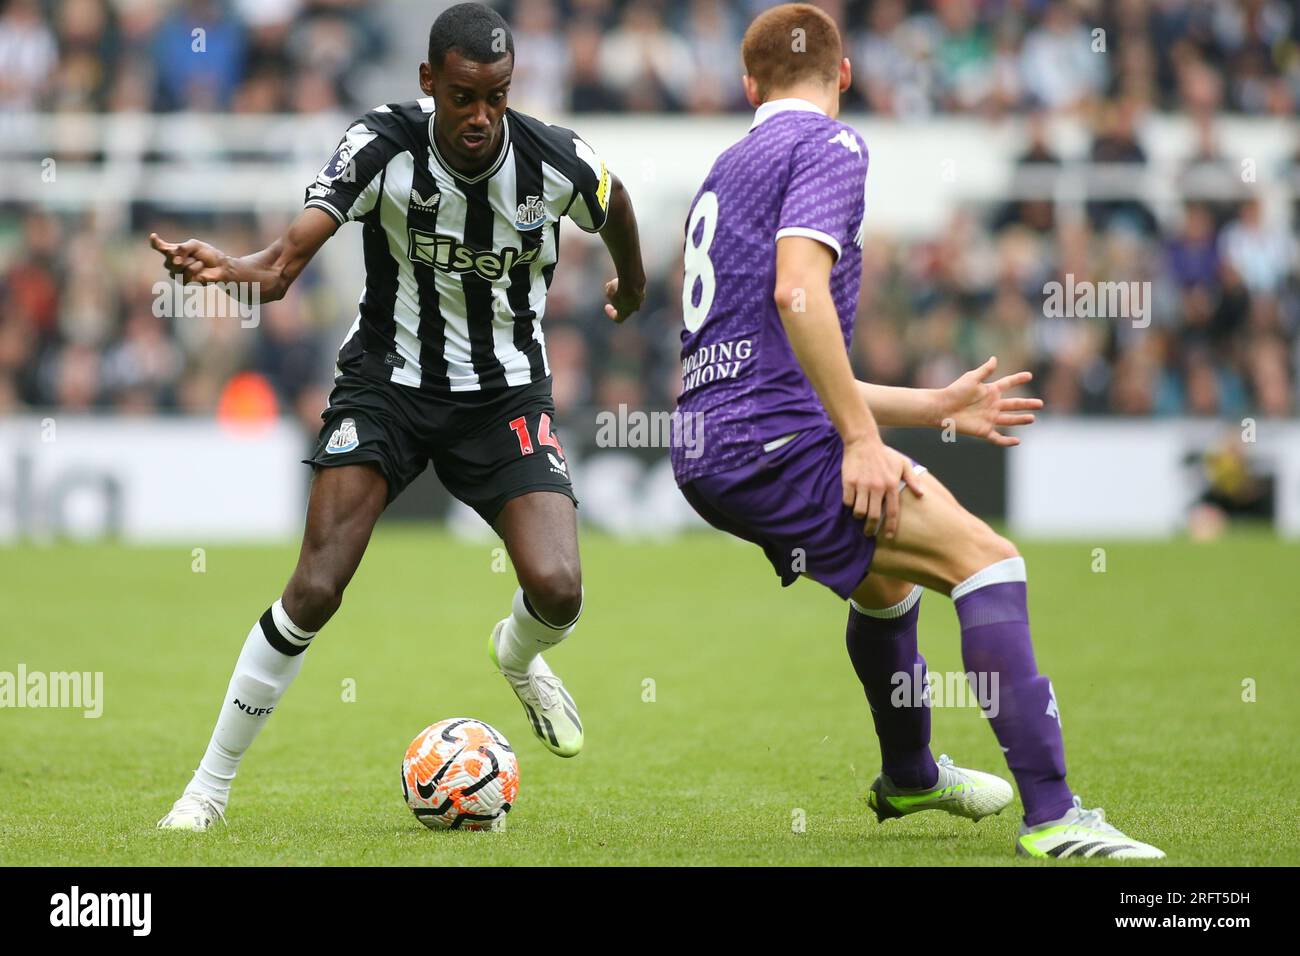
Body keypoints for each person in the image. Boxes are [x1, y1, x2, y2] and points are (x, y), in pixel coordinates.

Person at [671, 3, 1163, 860]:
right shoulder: (832, 144)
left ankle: (911, 775)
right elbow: (799, 296)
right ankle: (1055, 815)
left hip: (708, 445)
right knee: (988, 562)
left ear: (748, 84)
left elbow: (776, 360)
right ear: (847, 73)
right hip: (778, 442)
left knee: (884, 586)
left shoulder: (725, 168)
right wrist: (863, 442)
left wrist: (933, 408)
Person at [153, 3, 645, 830]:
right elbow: (280, 271)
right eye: (463, 97)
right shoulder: (379, 146)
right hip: (387, 383)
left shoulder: (554, 161)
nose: (482, 116)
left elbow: (617, 199)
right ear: (428, 83)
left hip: (506, 395)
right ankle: (207, 789)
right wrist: (227, 269)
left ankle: (518, 659)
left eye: (497, 96)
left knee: (558, 589)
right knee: (314, 588)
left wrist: (630, 286)